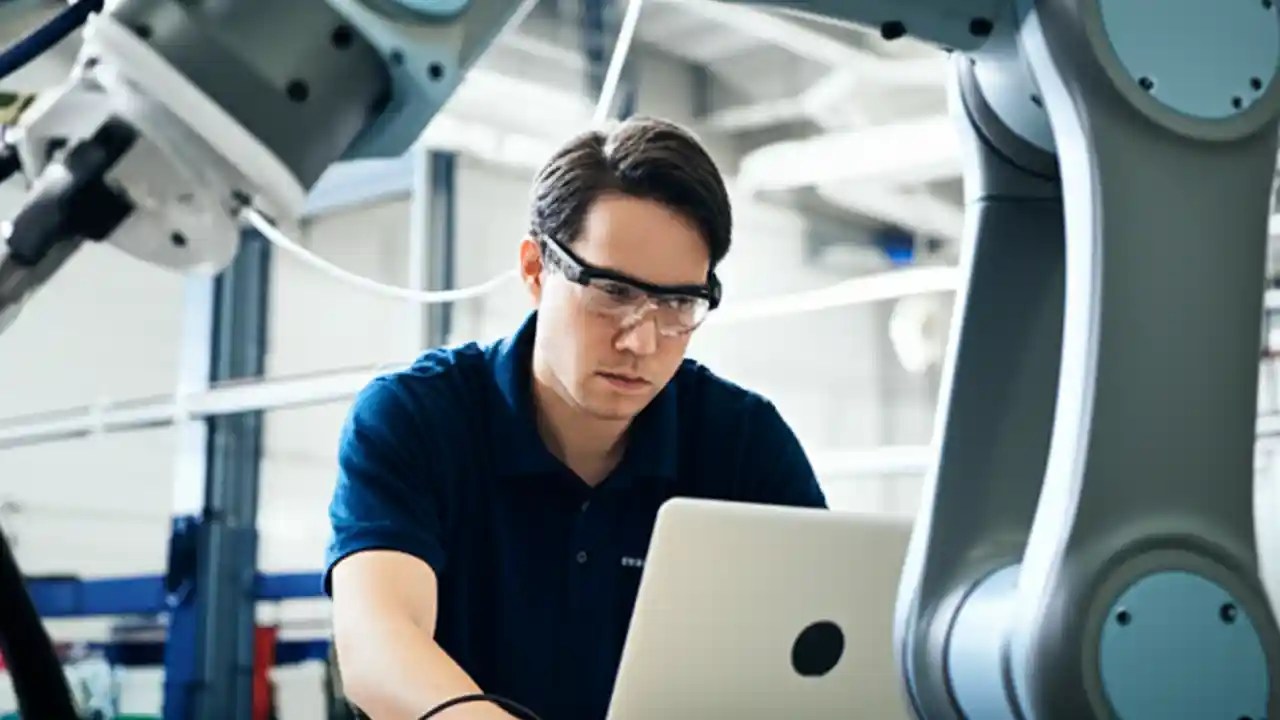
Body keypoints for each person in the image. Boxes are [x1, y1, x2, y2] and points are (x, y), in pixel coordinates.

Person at [324, 115, 828, 720]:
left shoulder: (743, 442)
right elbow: (378, 647)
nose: (641, 342)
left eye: (677, 302)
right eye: (612, 292)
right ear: (536, 269)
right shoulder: (415, 418)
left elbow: (826, 649)